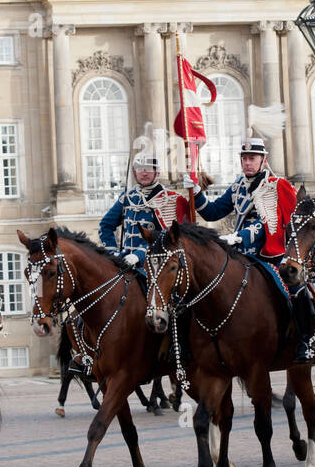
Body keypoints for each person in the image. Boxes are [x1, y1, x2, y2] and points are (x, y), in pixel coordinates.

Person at [196, 135, 301, 348]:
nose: (247, 162)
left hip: (269, 253)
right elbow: (212, 212)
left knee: (295, 290)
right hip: (239, 254)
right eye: (244, 158)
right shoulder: (237, 186)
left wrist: (239, 236)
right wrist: (197, 193)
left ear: (264, 160)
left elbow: (269, 221)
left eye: (252, 158)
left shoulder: (276, 186)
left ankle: (302, 339)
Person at [99, 131, 198, 270]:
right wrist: (113, 253)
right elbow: (105, 226)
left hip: (156, 265)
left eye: (148, 169)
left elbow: (170, 238)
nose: (143, 172)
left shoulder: (171, 199)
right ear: (134, 172)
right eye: (139, 169)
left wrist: (139, 255)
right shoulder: (127, 198)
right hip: (125, 263)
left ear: (157, 172)